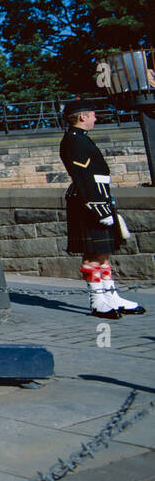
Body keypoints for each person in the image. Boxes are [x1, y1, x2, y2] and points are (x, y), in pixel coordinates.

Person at [59, 97, 144, 319]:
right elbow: (83, 176)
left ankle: (111, 297)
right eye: (93, 115)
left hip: (100, 199)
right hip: (88, 203)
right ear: (82, 117)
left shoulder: (81, 139)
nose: (95, 118)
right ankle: (98, 301)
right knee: (92, 255)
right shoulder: (74, 141)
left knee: (104, 254)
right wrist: (99, 208)